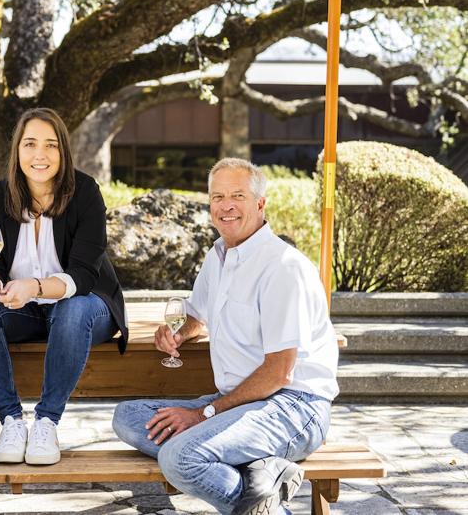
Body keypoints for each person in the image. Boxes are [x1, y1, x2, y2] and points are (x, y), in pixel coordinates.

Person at [112, 158, 339, 515]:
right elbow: (196, 315)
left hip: (293, 407)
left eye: (238, 196)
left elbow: (280, 372)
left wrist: (203, 415)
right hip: (239, 401)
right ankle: (261, 470)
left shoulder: (283, 267)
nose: (226, 206)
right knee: (128, 416)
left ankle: (268, 504)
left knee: (179, 457)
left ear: (260, 204)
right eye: (218, 197)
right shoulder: (217, 255)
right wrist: (177, 332)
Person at [0, 108, 128, 466]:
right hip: (23, 311)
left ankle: (46, 422)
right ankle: (11, 420)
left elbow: (84, 275)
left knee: (73, 307)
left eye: (51, 145)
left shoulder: (85, 192)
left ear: (63, 151)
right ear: (17, 150)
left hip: (87, 308)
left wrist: (35, 286)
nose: (40, 154)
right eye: (30, 144)